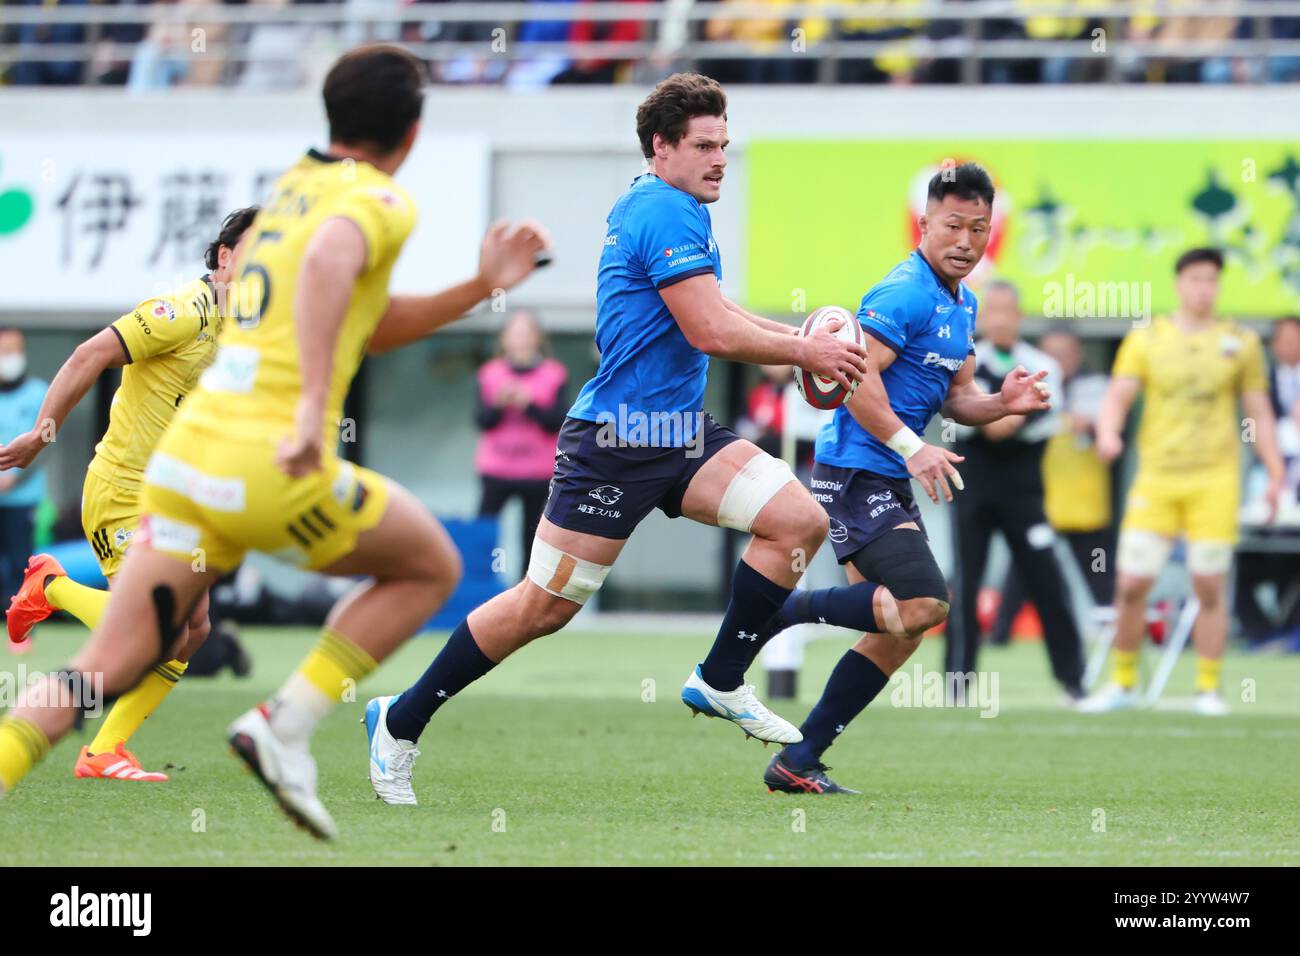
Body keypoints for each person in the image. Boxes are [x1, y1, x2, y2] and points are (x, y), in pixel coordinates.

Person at [0, 45, 553, 841]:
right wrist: (305, 420)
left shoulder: (293, 187)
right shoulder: (378, 199)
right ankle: (285, 724)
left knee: (114, 660)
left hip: (188, 461)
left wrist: (478, 287)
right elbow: (333, 267)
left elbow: (372, 318)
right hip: (265, 456)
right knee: (430, 564)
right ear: (414, 129)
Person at [362, 71, 869, 807]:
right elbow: (708, 329)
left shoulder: (676, 206)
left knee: (797, 521)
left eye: (725, 144)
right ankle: (399, 721)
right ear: (660, 148)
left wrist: (796, 338)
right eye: (703, 145)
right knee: (543, 607)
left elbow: (713, 307)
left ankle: (719, 678)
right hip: (617, 439)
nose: (720, 158)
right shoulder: (664, 209)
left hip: (679, 433)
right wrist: (807, 354)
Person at [744, 164, 1052, 795]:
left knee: (900, 629)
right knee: (926, 603)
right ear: (924, 225)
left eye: (979, 228)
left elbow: (959, 398)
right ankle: (783, 609)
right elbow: (854, 378)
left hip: (884, 471)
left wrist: (1003, 403)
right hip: (857, 471)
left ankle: (798, 759)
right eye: (954, 226)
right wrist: (913, 448)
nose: (967, 240)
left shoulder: (962, 303)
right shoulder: (904, 292)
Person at [0, 206, 257, 782]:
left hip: (173, 497)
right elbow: (89, 355)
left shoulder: (243, 328)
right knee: (156, 627)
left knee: (194, 631)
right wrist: (42, 435)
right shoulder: (181, 312)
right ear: (224, 258)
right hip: (121, 489)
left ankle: (103, 750)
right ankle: (53, 587)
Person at [1080, 248, 1285, 715]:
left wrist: (1275, 473)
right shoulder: (1148, 338)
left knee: (1209, 585)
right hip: (1157, 479)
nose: (1202, 289)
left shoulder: (1240, 342)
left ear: (1218, 285)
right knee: (1131, 584)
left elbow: (1258, 412)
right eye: (1194, 279)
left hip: (1215, 479)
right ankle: (1124, 684)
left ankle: (1208, 690)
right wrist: (1108, 431)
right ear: (1179, 284)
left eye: (1210, 280)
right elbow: (1119, 395)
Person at [945, 282, 1085, 701]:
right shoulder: (966, 363)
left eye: (1009, 311)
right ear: (981, 317)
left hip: (1025, 489)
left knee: (1046, 579)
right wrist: (997, 410)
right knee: (966, 582)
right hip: (973, 486)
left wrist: (995, 410)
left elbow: (1007, 424)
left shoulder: (1042, 366)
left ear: (1020, 316)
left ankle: (1073, 681)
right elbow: (988, 422)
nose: (1001, 319)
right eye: (994, 311)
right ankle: (957, 685)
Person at [990, 328, 1115, 642]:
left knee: (1100, 574)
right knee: (1022, 569)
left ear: (1079, 354)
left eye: (1065, 353)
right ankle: (999, 634)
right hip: (1040, 499)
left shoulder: (1097, 388)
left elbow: (1108, 432)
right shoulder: (1028, 389)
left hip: (1084, 502)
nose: (1058, 361)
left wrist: (1089, 426)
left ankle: (1116, 634)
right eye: (1051, 354)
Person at [474, 310, 568, 572]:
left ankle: (524, 595)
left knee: (532, 536)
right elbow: (482, 421)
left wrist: (529, 404)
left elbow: (556, 422)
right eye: (515, 333)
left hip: (537, 471)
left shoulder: (554, 373)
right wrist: (500, 404)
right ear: (504, 339)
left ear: (538, 338)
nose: (521, 339)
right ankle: (480, 582)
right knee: (484, 530)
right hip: (496, 469)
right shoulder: (489, 373)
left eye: (526, 333)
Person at [0, 329, 48, 609]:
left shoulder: (38, 393)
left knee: (22, 563)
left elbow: (46, 442)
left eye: (15, 351)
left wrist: (14, 478)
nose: (10, 358)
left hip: (23, 498)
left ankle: (20, 625)